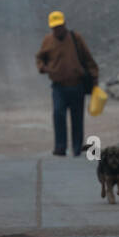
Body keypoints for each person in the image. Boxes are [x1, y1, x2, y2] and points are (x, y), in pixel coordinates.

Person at [35, 11, 99, 157]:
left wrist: (94, 80)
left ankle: (77, 149)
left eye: (59, 26)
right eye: (54, 27)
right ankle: (60, 148)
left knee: (77, 118)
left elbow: (89, 60)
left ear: (64, 24)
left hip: (77, 85)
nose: (57, 29)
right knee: (58, 114)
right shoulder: (48, 41)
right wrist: (43, 68)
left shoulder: (76, 38)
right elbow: (40, 58)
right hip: (58, 86)